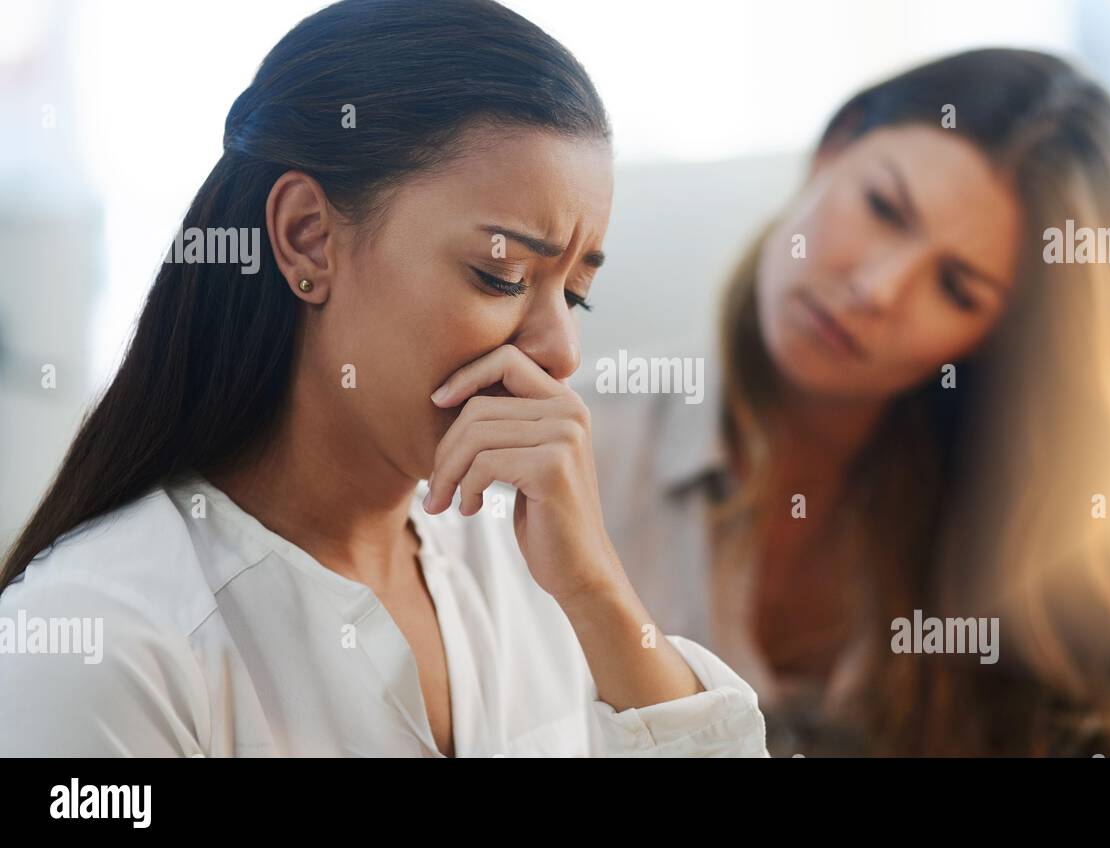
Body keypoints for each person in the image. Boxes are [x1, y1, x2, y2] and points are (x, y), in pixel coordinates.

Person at [0, 0, 767, 758]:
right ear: (307, 238)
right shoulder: (100, 644)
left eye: (574, 295)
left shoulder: (520, 560)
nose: (560, 352)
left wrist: (599, 592)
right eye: (499, 274)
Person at [583, 49, 1110, 757]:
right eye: (883, 208)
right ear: (835, 146)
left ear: (993, 342)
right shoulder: (570, 453)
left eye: (958, 289)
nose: (877, 290)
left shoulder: (1006, 542)